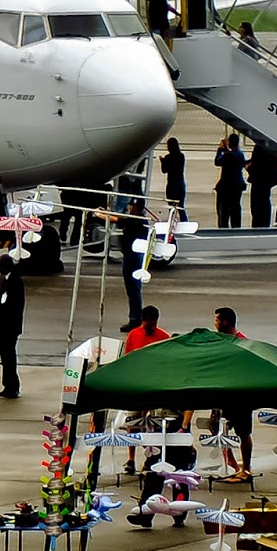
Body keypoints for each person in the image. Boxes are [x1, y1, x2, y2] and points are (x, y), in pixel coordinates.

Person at [122, 306, 171, 473]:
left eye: (153, 324)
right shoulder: (133, 335)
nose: (151, 327)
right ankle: (130, 459)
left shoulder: (163, 337)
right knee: (132, 421)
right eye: (148, 324)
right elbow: (127, 359)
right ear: (142, 321)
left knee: (154, 424)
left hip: (155, 386)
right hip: (136, 385)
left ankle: (151, 457)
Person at [213, 308, 257, 479]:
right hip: (222, 393)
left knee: (243, 432)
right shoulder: (219, 341)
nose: (215, 324)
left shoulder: (241, 342)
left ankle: (246, 468)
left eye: (217, 320)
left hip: (240, 396)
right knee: (217, 428)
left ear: (225, 322)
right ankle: (231, 463)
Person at [0, 254, 25, 399]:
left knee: (9, 356)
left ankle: (12, 386)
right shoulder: (8, 280)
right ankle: (8, 384)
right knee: (6, 357)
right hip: (4, 326)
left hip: (8, 327)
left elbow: (13, 305)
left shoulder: (14, 281)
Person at [115, 198, 147, 331]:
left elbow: (116, 219)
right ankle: (135, 317)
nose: (129, 207)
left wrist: (99, 214)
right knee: (133, 289)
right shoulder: (139, 220)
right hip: (133, 256)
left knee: (133, 289)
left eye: (132, 205)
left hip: (132, 257)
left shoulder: (136, 220)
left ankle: (135, 318)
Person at [213, 134, 247, 228]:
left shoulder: (228, 155)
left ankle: (224, 228)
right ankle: (236, 227)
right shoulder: (240, 154)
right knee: (236, 208)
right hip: (238, 184)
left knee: (224, 210)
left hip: (227, 186)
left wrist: (220, 150)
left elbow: (217, 162)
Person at [247, 142, 277, 229]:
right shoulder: (270, 146)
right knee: (265, 201)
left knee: (257, 204)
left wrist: (248, 168)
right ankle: (265, 223)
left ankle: (258, 224)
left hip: (259, 179)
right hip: (267, 179)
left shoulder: (259, 147)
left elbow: (257, 164)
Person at [160, 138, 186, 213]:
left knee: (171, 207)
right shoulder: (181, 156)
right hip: (180, 182)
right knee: (181, 207)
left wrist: (162, 162)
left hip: (172, 184)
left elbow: (164, 170)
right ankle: (184, 219)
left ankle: (172, 219)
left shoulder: (168, 157)